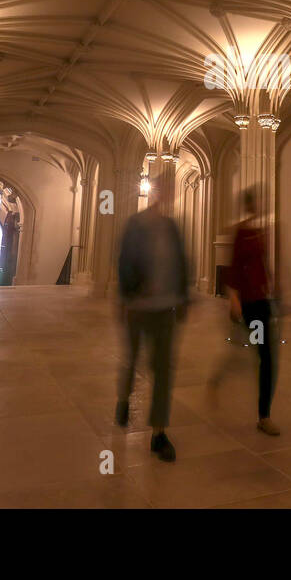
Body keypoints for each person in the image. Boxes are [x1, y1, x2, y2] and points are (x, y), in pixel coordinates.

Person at [115, 173, 190, 462]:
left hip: (165, 308)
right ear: (154, 191)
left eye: (172, 190)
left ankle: (159, 433)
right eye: (165, 188)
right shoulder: (136, 224)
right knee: (132, 359)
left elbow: (182, 262)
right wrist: (126, 297)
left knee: (163, 370)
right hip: (139, 306)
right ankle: (123, 399)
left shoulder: (172, 227)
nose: (168, 194)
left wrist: (183, 298)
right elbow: (124, 262)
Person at [210, 187, 280, 435]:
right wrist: (234, 299)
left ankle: (263, 414)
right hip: (249, 303)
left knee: (260, 356)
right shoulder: (241, 232)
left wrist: (274, 288)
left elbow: (264, 264)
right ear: (251, 204)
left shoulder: (262, 231)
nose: (263, 204)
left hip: (263, 301)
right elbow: (234, 267)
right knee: (260, 356)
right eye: (259, 201)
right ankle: (263, 415)